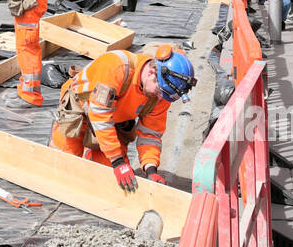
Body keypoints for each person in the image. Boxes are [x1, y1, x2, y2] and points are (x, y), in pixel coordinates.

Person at [49, 44, 196, 190]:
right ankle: (81, 153)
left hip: (113, 120)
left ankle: (92, 155)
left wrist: (151, 169)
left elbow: (150, 134)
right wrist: (118, 161)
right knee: (63, 168)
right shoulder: (116, 67)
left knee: (110, 182)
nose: (160, 97)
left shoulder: (161, 94)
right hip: (79, 112)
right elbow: (99, 116)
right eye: (159, 91)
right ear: (151, 72)